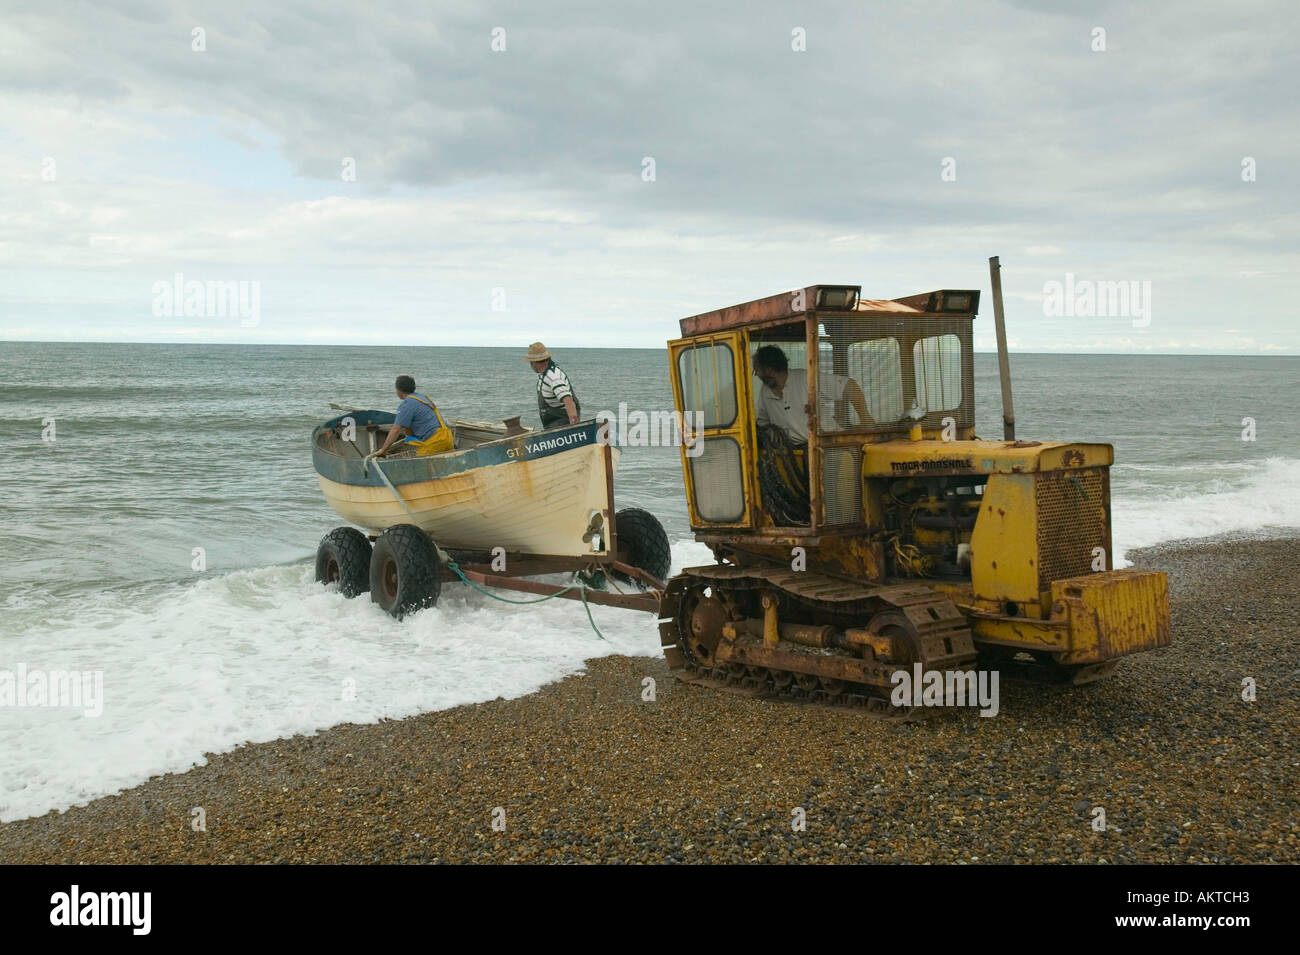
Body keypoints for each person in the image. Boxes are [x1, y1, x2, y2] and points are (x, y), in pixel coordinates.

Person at [752, 345, 872, 444]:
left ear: (769, 368)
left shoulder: (806, 379)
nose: (756, 375)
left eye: (757, 370)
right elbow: (764, 423)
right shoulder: (765, 391)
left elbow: (849, 386)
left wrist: (865, 418)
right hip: (797, 452)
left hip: (829, 446)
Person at [372, 375, 454, 457]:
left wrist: (383, 450)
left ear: (399, 390)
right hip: (448, 438)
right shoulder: (422, 397)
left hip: (435, 442)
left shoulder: (407, 404)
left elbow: (395, 430)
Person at [525, 342, 581, 429]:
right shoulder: (544, 375)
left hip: (563, 423)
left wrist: (574, 428)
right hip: (552, 424)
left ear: (534, 362)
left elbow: (568, 401)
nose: (530, 365)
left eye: (530, 362)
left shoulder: (554, 377)